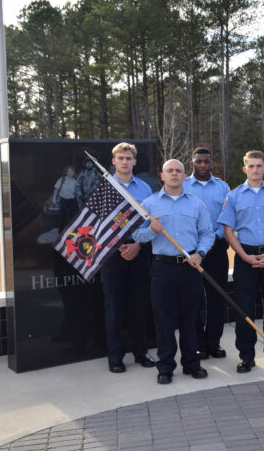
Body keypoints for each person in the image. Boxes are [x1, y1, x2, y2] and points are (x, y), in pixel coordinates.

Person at [133, 159, 214, 384]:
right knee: (164, 320)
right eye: (170, 171)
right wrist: (151, 229)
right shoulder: (149, 204)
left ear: (185, 176)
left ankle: (191, 363)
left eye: (178, 171)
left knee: (190, 318)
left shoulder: (196, 204)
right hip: (162, 268)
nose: (175, 174)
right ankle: (166, 367)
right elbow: (137, 236)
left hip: (190, 266)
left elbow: (207, 233)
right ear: (162, 176)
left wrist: (200, 253)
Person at [218, 151, 264, 373]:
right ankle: (246, 356)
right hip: (246, 257)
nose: (255, 170)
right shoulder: (234, 196)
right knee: (245, 310)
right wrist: (243, 256)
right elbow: (228, 230)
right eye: (251, 166)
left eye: (259, 166)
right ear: (245, 169)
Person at [101, 143, 155, 374]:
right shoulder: (104, 187)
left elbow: (150, 223)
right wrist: (120, 246)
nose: (124, 162)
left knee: (139, 305)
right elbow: (98, 224)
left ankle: (141, 351)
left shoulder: (145, 189)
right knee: (114, 306)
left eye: (129, 158)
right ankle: (115, 356)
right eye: (120, 158)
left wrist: (137, 245)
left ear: (135, 162)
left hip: (139, 252)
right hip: (112, 254)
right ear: (113, 161)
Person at [183, 147, 231, 360]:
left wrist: (213, 239)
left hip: (217, 248)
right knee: (193, 299)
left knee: (216, 298)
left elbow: (228, 218)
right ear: (192, 163)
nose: (203, 165)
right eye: (198, 162)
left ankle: (214, 343)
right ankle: (198, 344)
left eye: (206, 162)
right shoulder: (182, 186)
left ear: (212, 163)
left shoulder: (222, 187)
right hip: (191, 251)